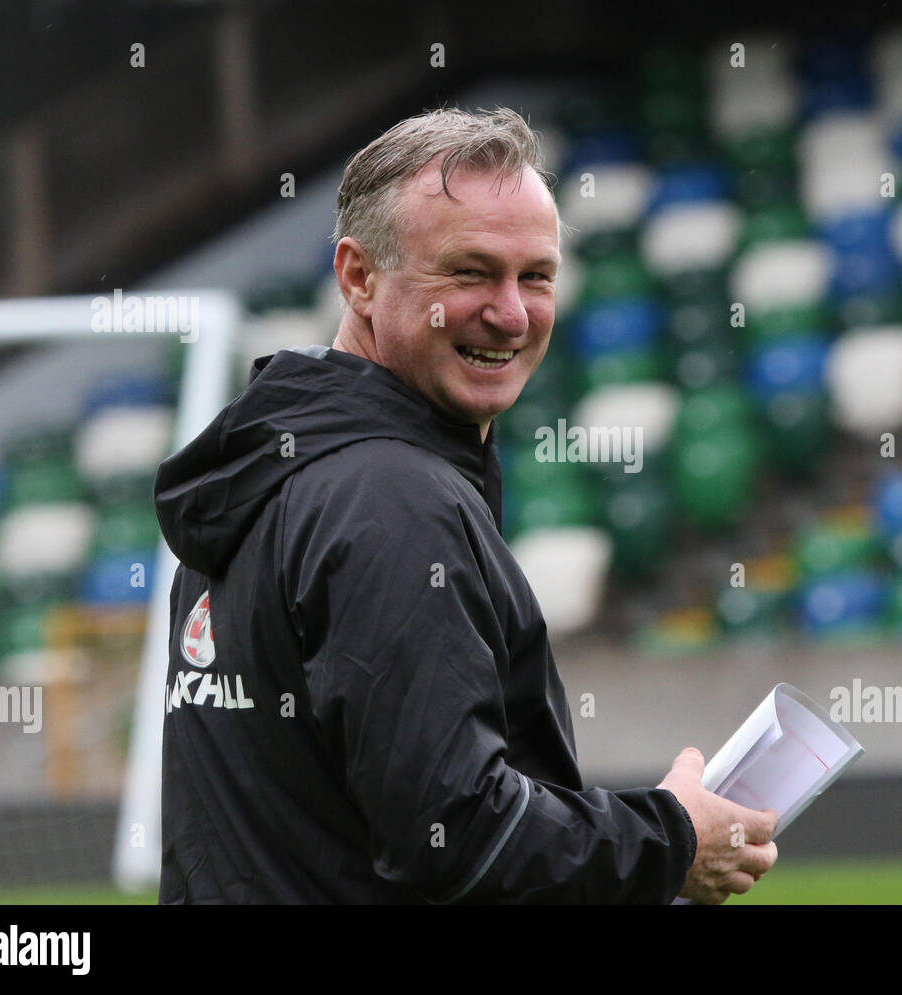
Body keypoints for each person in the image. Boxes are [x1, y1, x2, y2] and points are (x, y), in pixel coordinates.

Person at [154, 105, 778, 903]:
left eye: (537, 276)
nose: (512, 313)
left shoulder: (259, 476)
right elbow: (455, 839)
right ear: (358, 277)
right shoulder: (389, 499)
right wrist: (670, 839)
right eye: (470, 272)